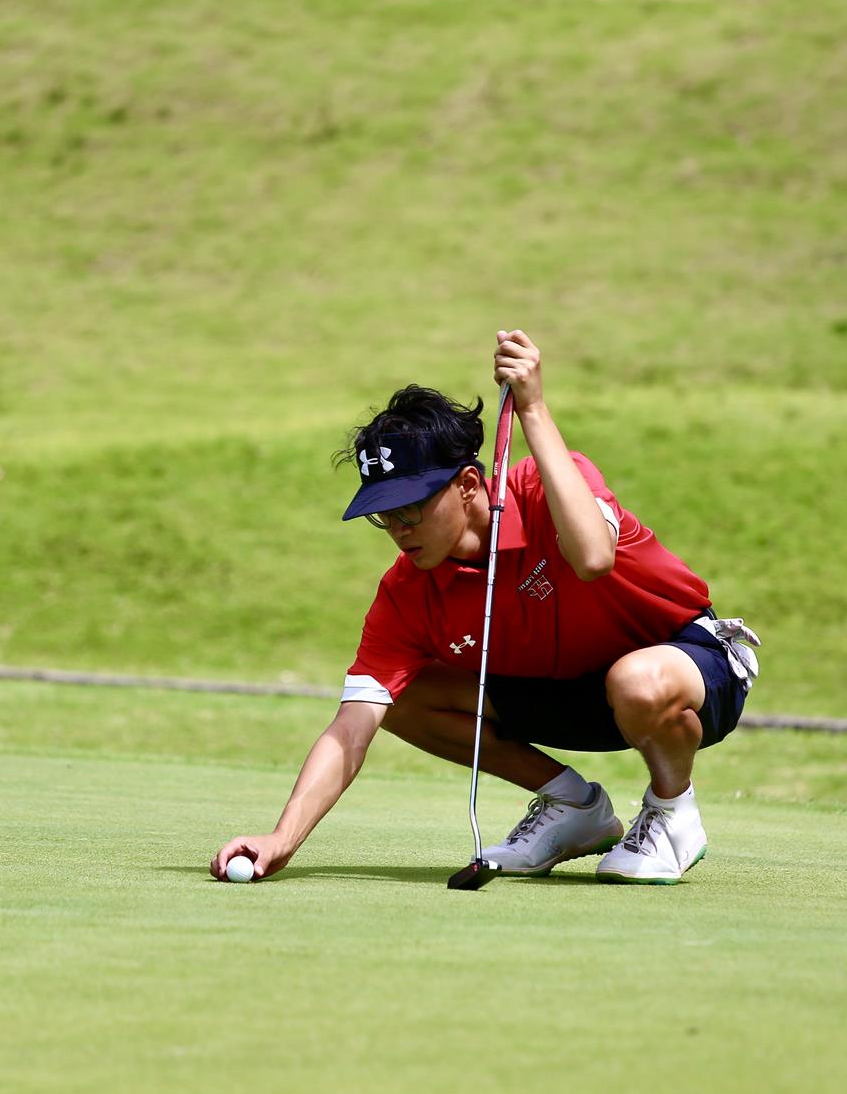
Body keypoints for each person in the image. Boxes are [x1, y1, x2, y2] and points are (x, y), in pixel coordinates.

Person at [210, 331, 759, 885]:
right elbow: (352, 728)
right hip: (572, 693)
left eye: (412, 508)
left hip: (688, 666)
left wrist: (535, 408)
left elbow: (592, 558)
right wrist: (283, 837)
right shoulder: (406, 593)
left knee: (637, 679)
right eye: (384, 515)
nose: (399, 529)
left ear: (469, 483)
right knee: (401, 698)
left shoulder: (547, 487)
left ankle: (671, 812)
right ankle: (573, 807)